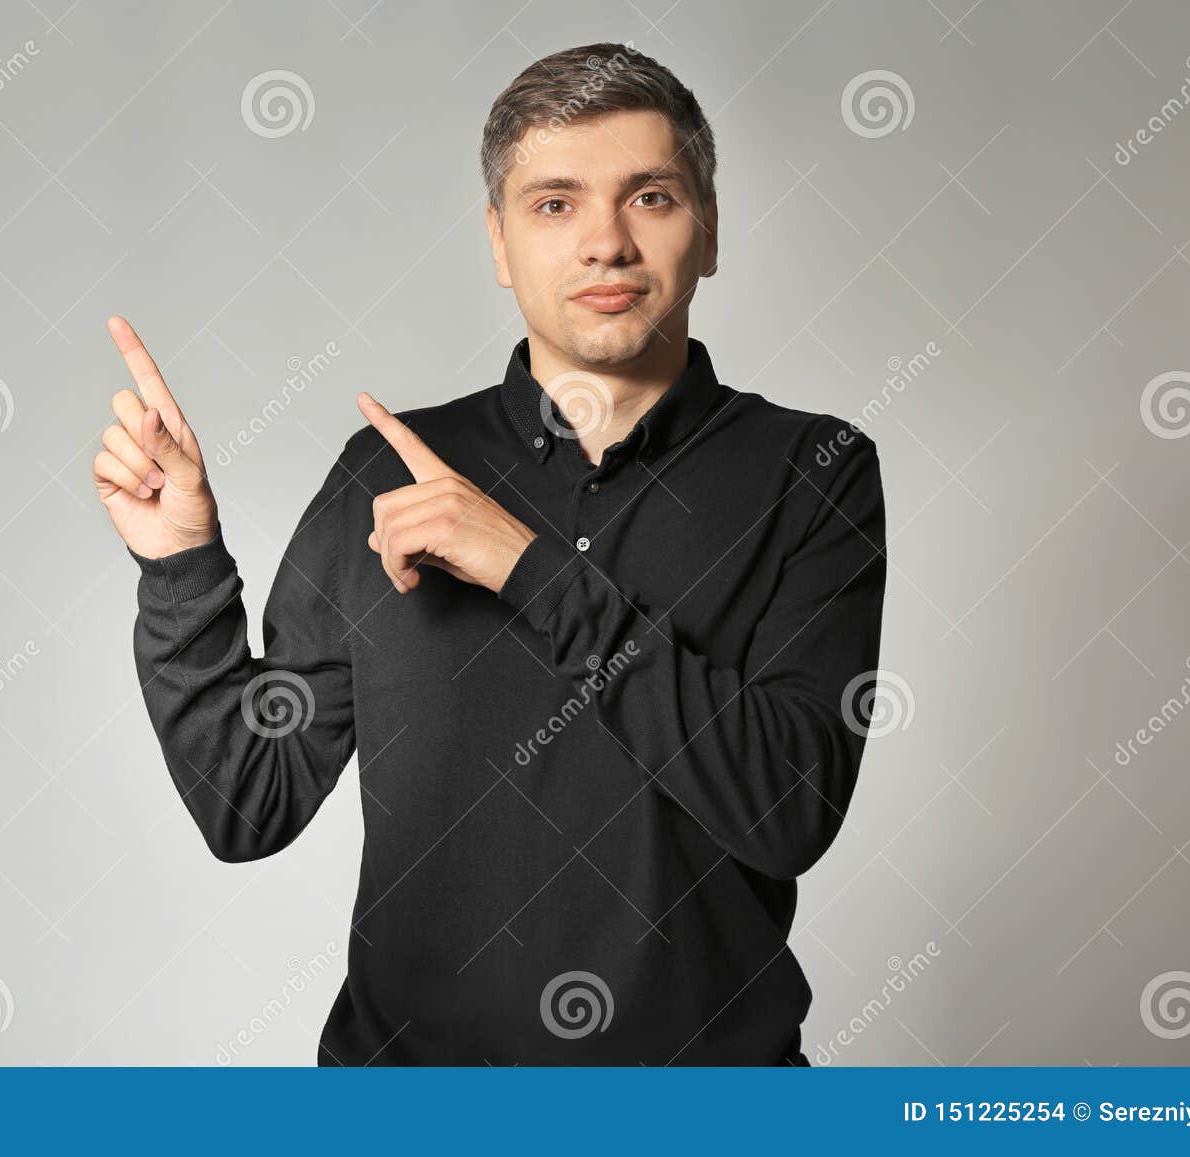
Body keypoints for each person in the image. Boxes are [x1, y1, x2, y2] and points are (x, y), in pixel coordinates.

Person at [91, 42, 886, 1066]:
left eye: (649, 195)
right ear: (499, 242)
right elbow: (250, 800)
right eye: (554, 203)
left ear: (711, 229)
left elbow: (788, 809)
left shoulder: (811, 469)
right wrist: (182, 565)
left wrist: (528, 566)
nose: (605, 241)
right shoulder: (383, 473)